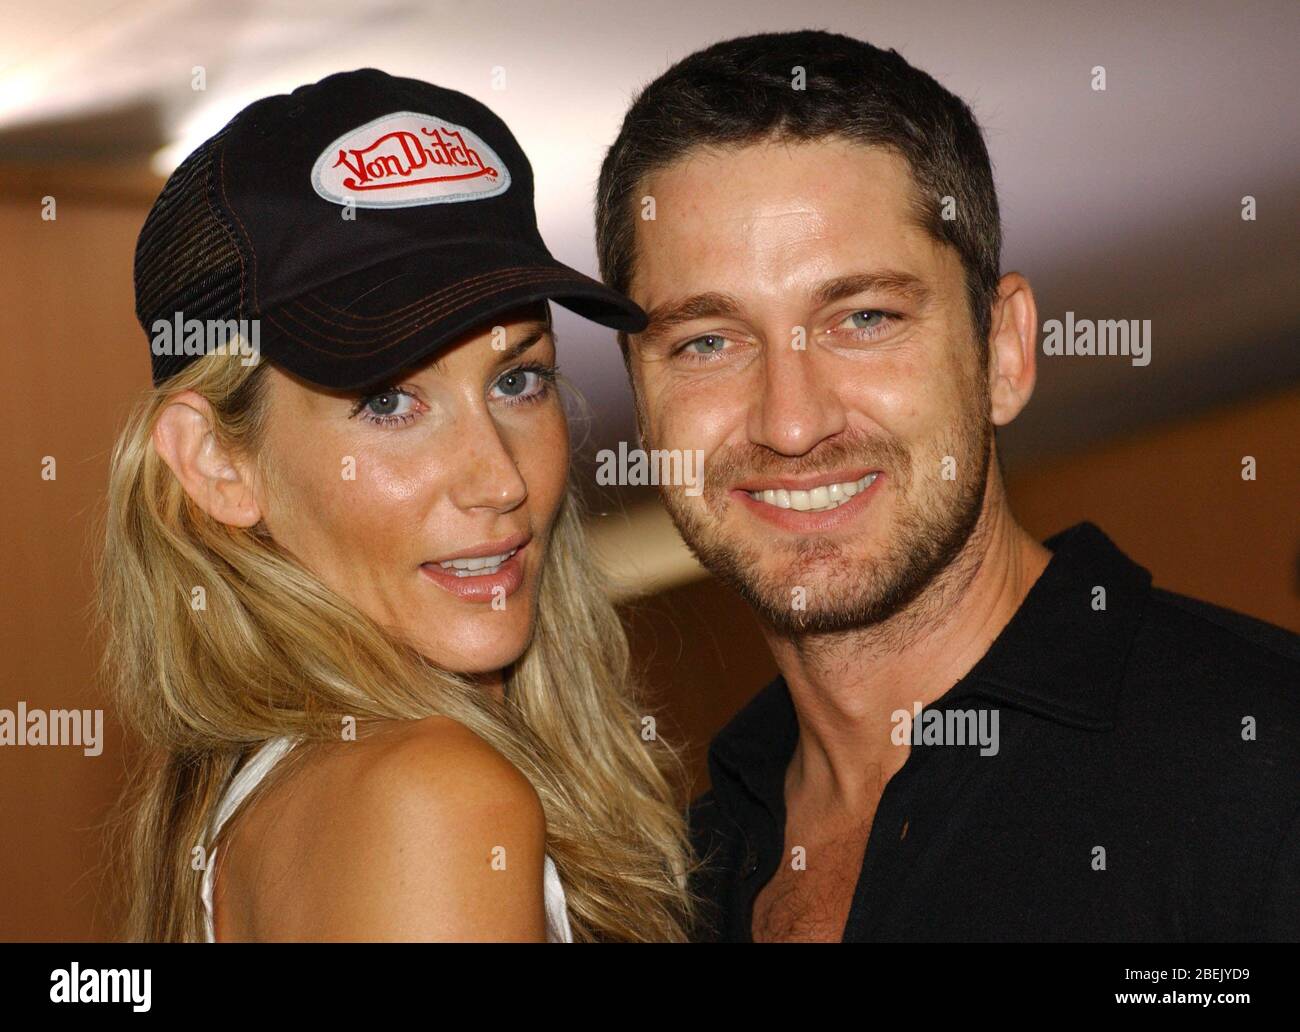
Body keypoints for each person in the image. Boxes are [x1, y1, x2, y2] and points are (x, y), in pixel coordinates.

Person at [594, 31, 1300, 941]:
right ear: (642, 398)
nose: (791, 422)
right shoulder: (662, 890)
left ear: (1002, 352)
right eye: (707, 342)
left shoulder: (1265, 768)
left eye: (863, 318)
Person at [99, 68, 694, 942]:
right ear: (217, 462)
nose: (499, 479)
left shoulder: (279, 802)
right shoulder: (430, 800)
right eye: (389, 402)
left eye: (519, 378)